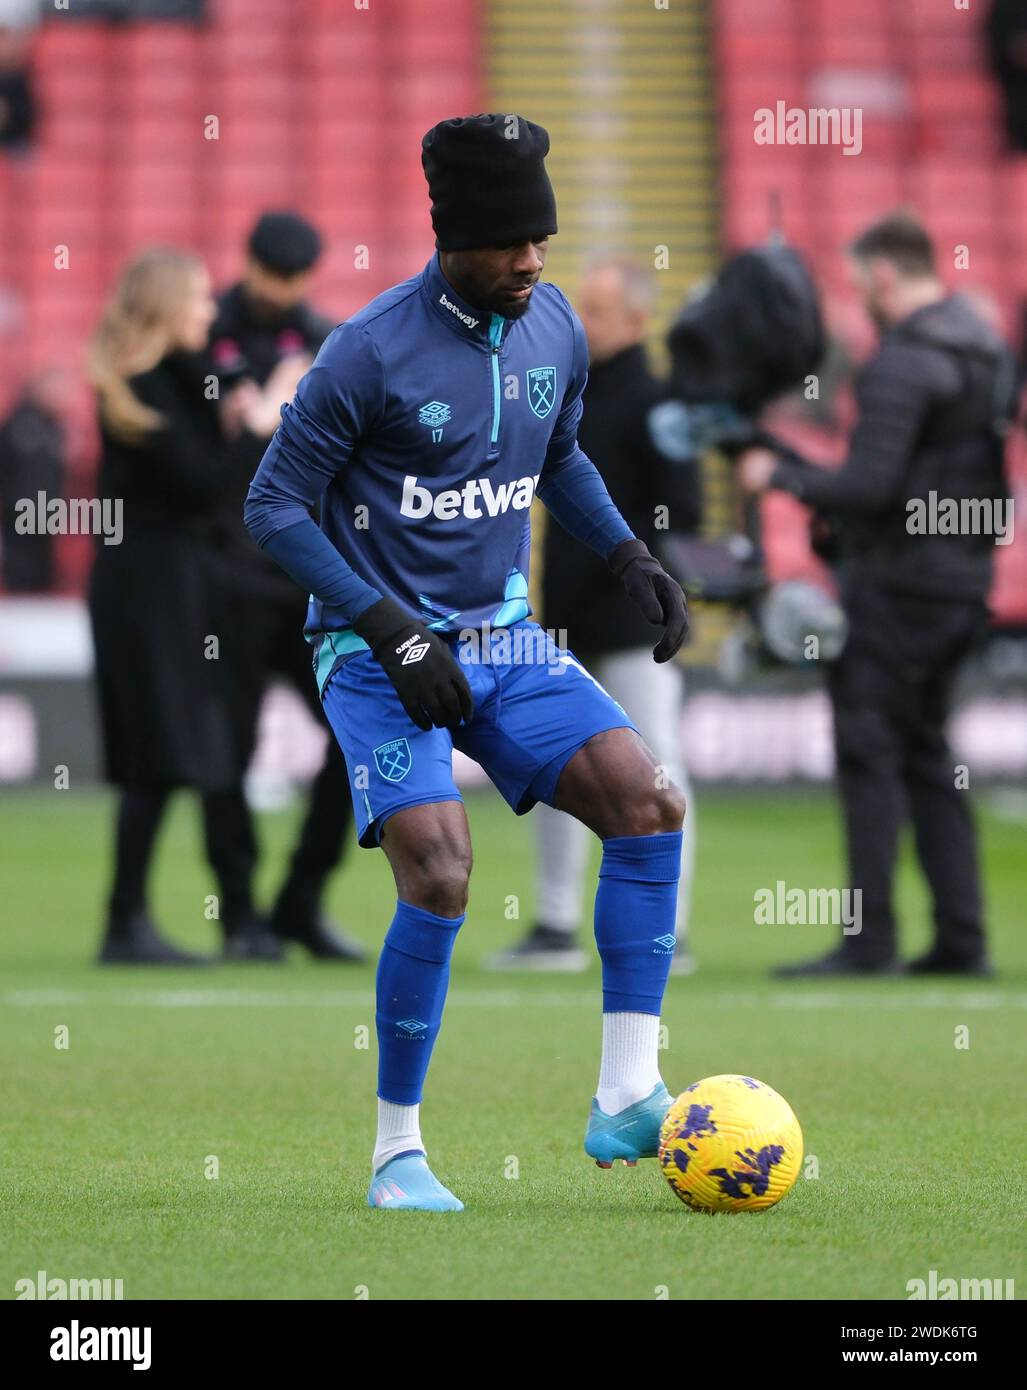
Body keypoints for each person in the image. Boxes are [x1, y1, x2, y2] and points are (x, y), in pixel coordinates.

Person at [245, 114, 690, 1211]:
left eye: (541, 240)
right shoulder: (369, 349)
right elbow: (272, 504)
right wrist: (387, 623)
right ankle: (398, 1150)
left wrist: (629, 552)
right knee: (440, 868)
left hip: (504, 634)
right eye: (508, 245)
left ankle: (627, 1093)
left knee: (649, 801)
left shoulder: (557, 330)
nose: (531, 262)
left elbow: (562, 453)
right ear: (454, 239)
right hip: (373, 646)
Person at [739, 212, 1012, 978]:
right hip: (962, 582)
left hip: (898, 586)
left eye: (860, 281)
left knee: (868, 751)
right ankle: (962, 940)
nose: (858, 296)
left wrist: (780, 476)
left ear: (884, 274)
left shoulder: (902, 359)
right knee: (927, 754)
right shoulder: (985, 346)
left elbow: (868, 486)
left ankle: (869, 941)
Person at [487, 258, 701, 973]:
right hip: (569, 617)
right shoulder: (569, 394)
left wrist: (643, 571)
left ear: (637, 322)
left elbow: (686, 513)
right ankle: (553, 923)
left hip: (635, 626)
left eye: (600, 311)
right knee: (556, 764)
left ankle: (665, 927)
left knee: (658, 766)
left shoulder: (658, 403)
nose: (583, 322)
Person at [88, 249, 269, 964]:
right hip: (149, 590)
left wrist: (240, 402)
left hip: (171, 585)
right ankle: (124, 922)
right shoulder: (139, 387)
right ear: (166, 307)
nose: (210, 314)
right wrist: (258, 426)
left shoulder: (169, 378)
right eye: (196, 302)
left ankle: (129, 918)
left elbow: (214, 389)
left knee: (166, 750)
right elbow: (202, 485)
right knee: (155, 749)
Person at [207, 212, 363, 961]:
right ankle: (239, 916)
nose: (281, 291)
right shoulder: (205, 330)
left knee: (353, 738)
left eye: (292, 280)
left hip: (306, 583)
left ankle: (301, 900)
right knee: (222, 754)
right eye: (271, 275)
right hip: (225, 582)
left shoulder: (329, 342)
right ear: (250, 265)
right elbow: (230, 435)